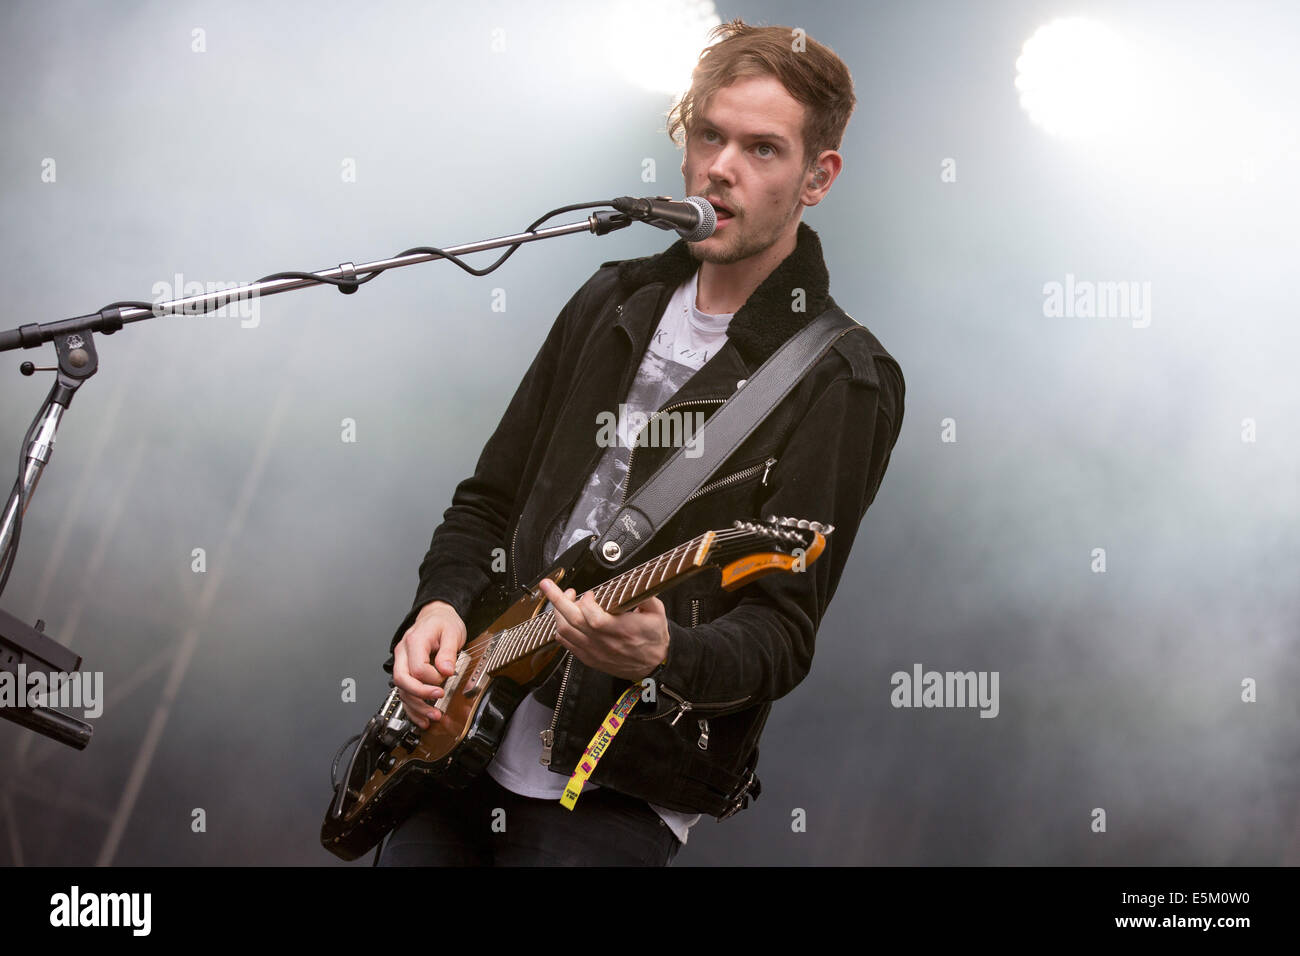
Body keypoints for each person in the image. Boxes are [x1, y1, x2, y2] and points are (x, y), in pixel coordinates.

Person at [377, 17, 905, 866]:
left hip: (611, 787)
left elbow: (780, 634)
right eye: (708, 136)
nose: (721, 168)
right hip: (459, 734)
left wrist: (669, 652)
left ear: (819, 177)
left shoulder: (840, 377)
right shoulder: (609, 300)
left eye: (762, 149)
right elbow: (486, 502)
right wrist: (438, 604)